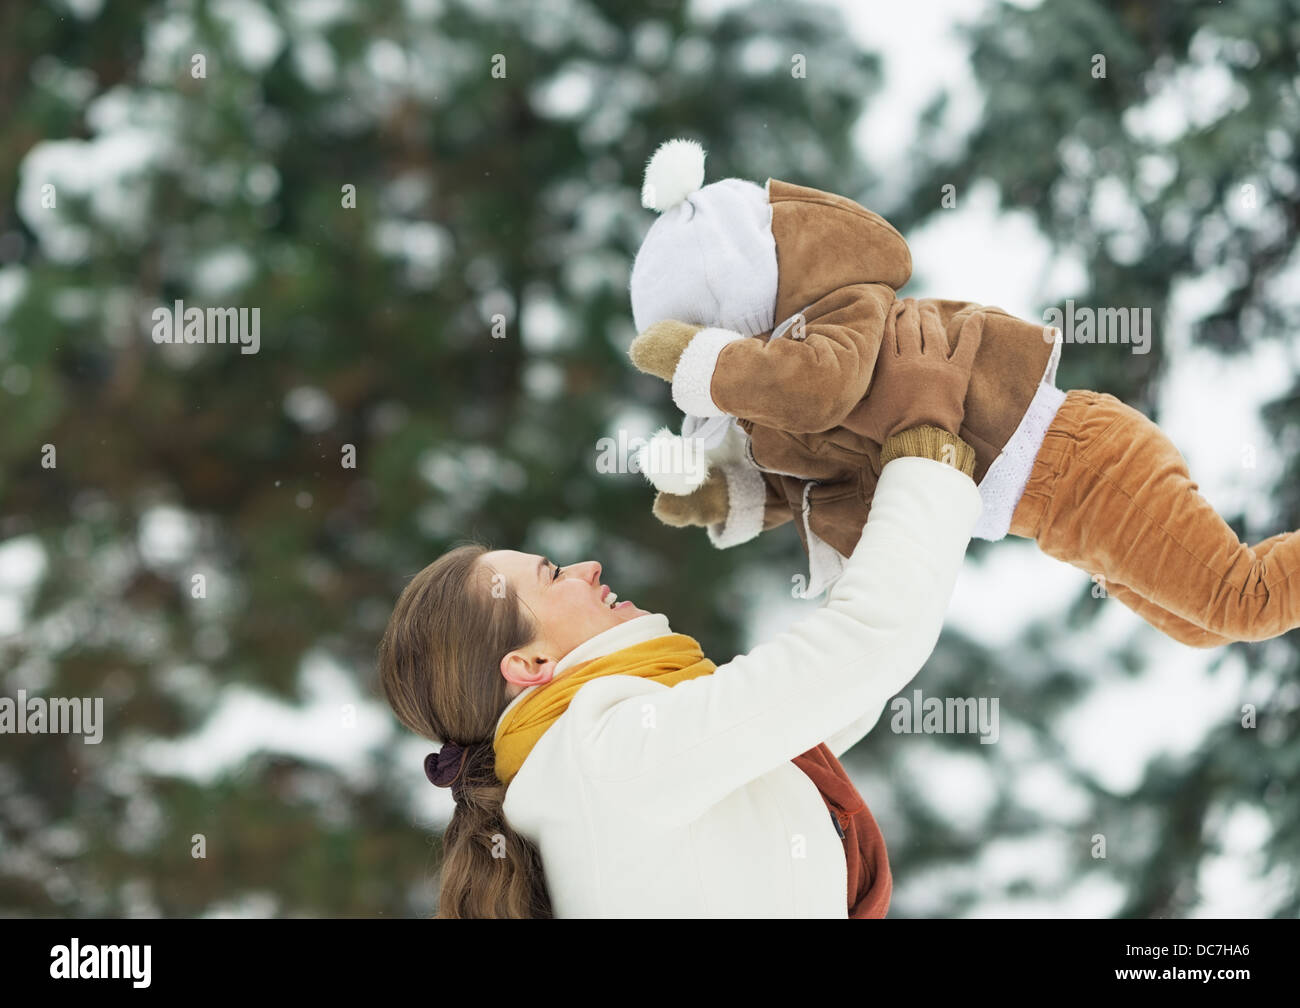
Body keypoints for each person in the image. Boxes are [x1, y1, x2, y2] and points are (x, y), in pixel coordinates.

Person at [377, 298, 984, 918]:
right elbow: (866, 646)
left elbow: (833, 695)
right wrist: (927, 438)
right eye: (552, 574)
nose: (588, 568)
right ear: (529, 662)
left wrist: (866, 508)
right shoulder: (603, 757)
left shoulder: (593, 772)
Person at [627, 138, 1300, 646]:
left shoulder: (846, 318)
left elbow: (814, 390)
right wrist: (724, 492)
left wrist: (704, 363)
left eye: (720, 347)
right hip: (1063, 513)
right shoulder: (814, 388)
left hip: (1089, 469)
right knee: (1207, 626)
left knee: (1244, 599)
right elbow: (811, 473)